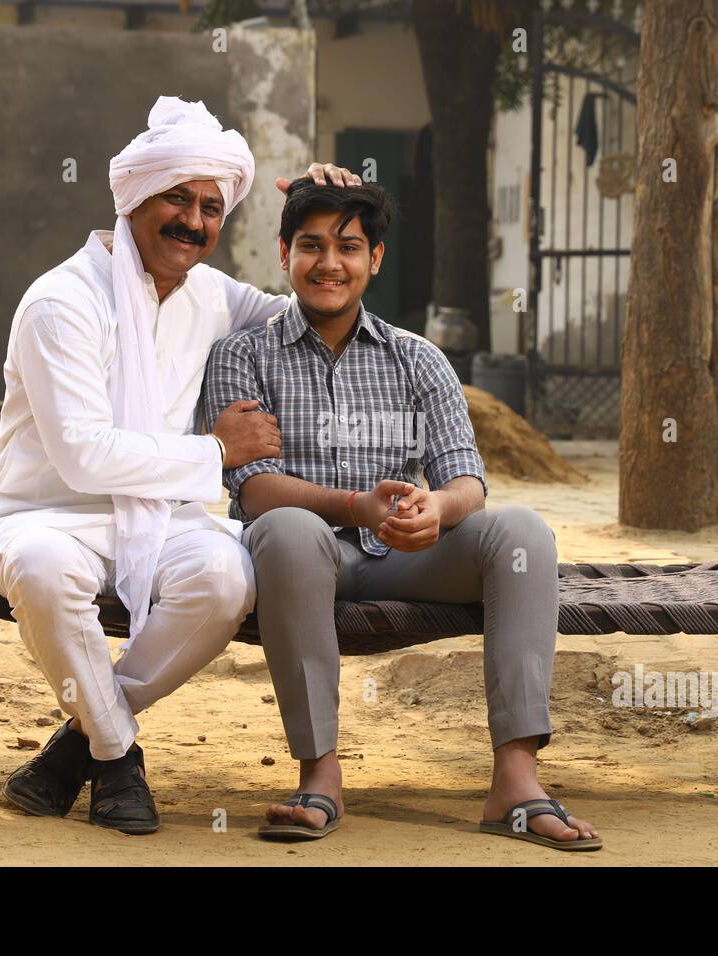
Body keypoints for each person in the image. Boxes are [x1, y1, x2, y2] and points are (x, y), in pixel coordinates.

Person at [0, 97, 360, 835]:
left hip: (163, 517)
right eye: (176, 198)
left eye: (212, 206)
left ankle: (74, 748)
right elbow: (83, 456)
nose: (194, 221)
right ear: (133, 199)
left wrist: (328, 221)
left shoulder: (210, 294)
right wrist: (214, 452)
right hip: (48, 513)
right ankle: (117, 761)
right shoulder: (63, 302)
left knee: (226, 578)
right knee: (48, 574)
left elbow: (311, 309)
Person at [200, 178, 602, 850]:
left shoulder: (418, 359)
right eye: (311, 246)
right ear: (283, 253)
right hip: (301, 560)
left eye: (349, 247)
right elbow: (255, 489)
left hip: (407, 555)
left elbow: (466, 481)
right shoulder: (244, 355)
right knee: (289, 530)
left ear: (375, 259)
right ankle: (319, 773)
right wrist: (355, 505)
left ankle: (515, 779)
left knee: (523, 532)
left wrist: (435, 509)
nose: (330, 263)